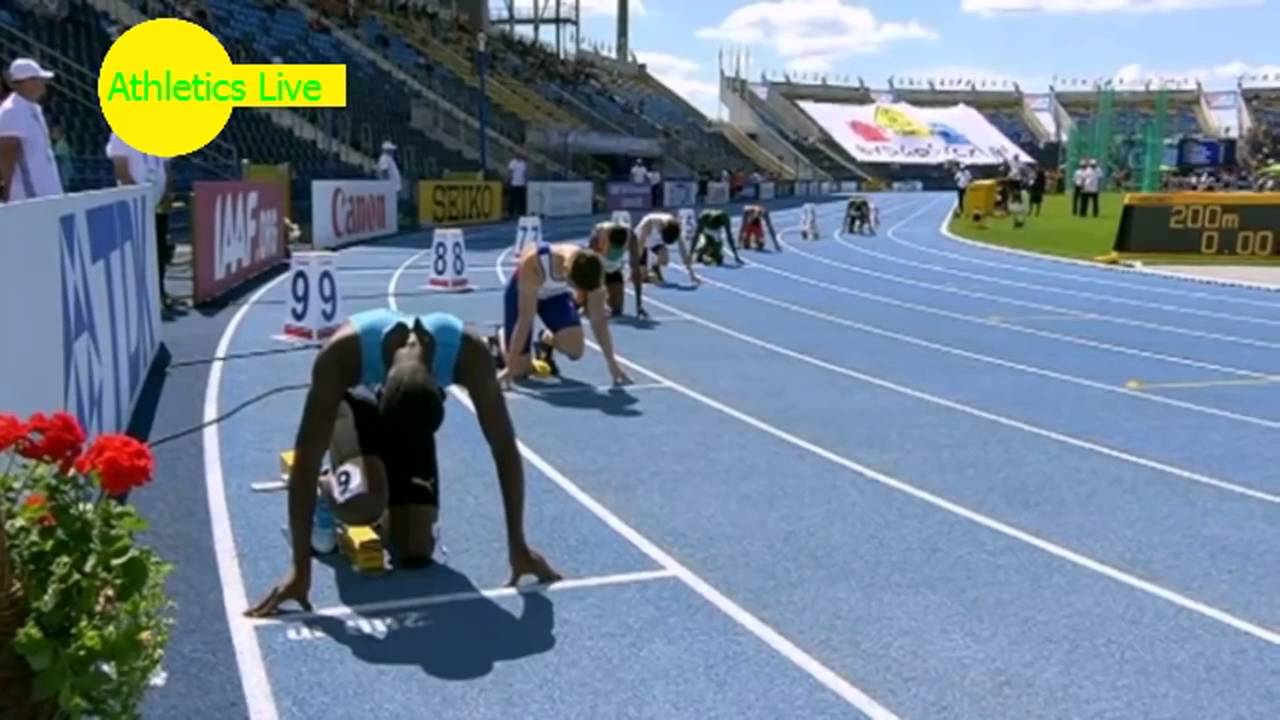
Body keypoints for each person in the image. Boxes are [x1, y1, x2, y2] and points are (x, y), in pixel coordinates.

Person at [245, 309, 561, 617]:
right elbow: (306, 457)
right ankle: (327, 493)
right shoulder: (341, 356)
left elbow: (504, 447)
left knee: (414, 552)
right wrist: (300, 568)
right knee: (364, 505)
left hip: (411, 418)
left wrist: (518, 544)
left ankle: (387, 486)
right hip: (355, 410)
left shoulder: (468, 354)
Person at [501, 239, 631, 385]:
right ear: (566, 269)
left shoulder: (593, 269)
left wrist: (612, 364)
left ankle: (546, 339)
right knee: (518, 372)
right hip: (523, 291)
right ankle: (499, 340)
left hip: (555, 295)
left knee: (575, 350)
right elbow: (525, 320)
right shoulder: (535, 261)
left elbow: (598, 320)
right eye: (576, 287)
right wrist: (509, 368)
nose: (578, 292)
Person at [106, 132, 174, 308]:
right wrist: (136, 197)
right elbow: (121, 169)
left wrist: (167, 192)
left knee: (159, 250)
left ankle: (158, 293)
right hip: (134, 206)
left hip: (157, 203)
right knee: (137, 252)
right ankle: (137, 298)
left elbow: (166, 167)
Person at [0, 58, 62, 203]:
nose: (42, 84)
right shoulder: (11, 111)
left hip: (48, 194)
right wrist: (5, 193)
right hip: (29, 197)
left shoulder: (33, 108)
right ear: (24, 82)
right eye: (37, 79)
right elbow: (7, 153)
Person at [586, 219, 646, 318]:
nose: (615, 249)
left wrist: (639, 304)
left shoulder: (631, 237)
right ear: (608, 237)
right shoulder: (598, 234)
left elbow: (636, 270)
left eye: (619, 247)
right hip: (598, 269)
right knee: (595, 310)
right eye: (613, 246)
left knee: (617, 312)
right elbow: (587, 264)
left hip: (614, 270)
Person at [635, 211, 698, 285]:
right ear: (661, 231)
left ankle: (654, 269)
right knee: (643, 278)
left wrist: (691, 274)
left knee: (664, 259)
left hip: (655, 242)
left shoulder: (675, 228)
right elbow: (640, 248)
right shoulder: (649, 224)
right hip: (639, 242)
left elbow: (683, 250)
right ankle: (645, 274)